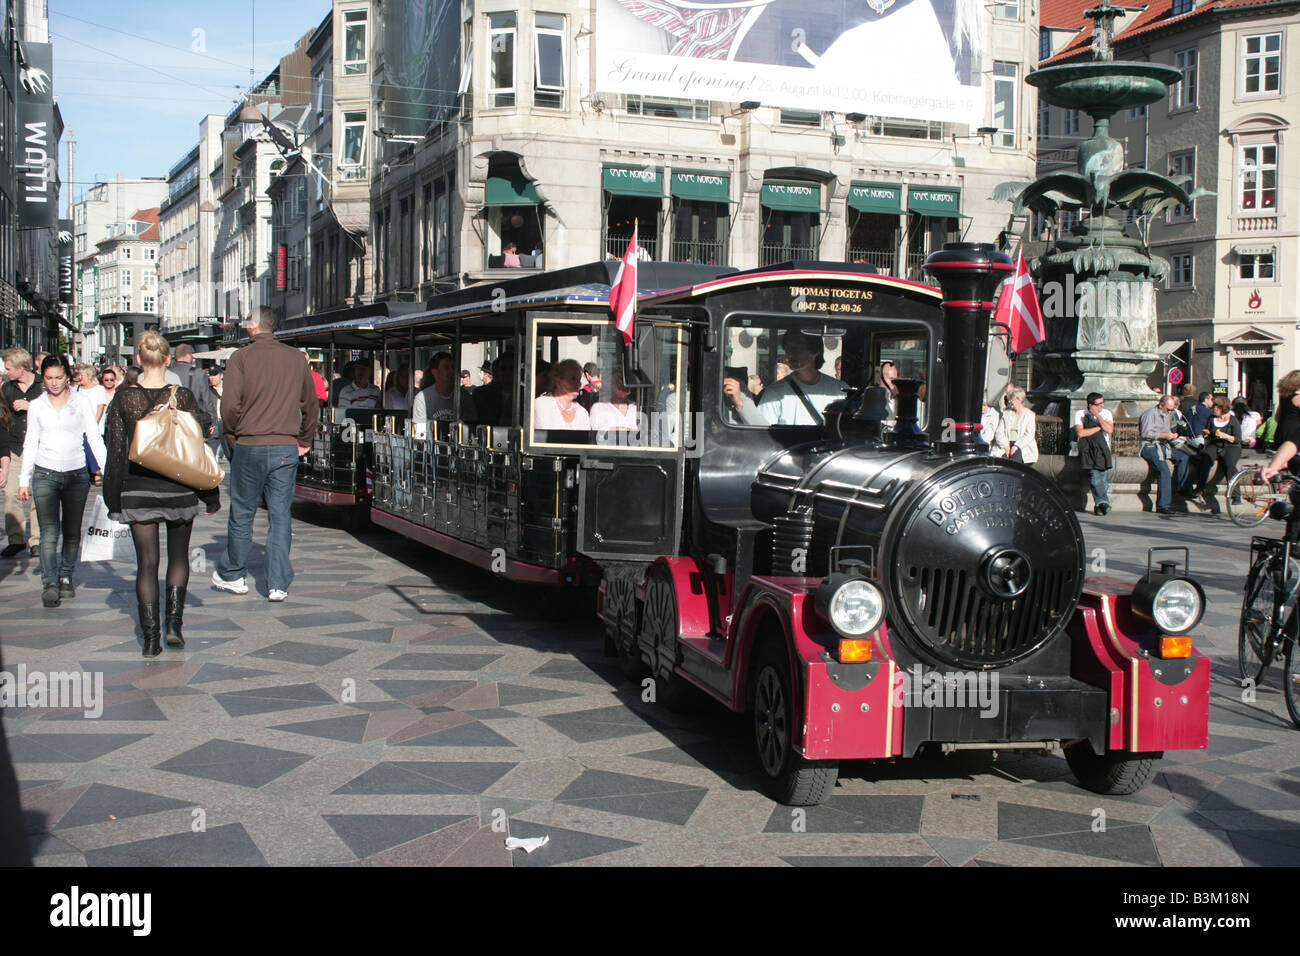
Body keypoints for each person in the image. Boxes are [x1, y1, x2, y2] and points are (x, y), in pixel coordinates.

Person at [103, 332, 220, 656]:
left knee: (147, 564)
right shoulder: (182, 396)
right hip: (178, 488)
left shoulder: (124, 398)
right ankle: (174, 625)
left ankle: (151, 638)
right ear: (168, 359)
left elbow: (114, 452)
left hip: (137, 490)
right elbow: (196, 449)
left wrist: (112, 500)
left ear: (139, 360)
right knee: (179, 557)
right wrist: (210, 495)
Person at [212, 306, 319, 602]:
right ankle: (277, 582)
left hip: (249, 443)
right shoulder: (296, 359)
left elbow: (229, 406)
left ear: (252, 326)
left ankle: (234, 574)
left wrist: (234, 436)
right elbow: (311, 403)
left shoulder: (241, 357)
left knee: (243, 511)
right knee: (281, 514)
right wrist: (305, 438)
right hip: (284, 444)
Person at [17, 355, 107, 607]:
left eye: (58, 377)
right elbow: (31, 442)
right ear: (42, 378)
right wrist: (24, 479)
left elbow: (93, 437)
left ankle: (66, 576)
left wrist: (106, 468)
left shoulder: (80, 402)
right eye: (49, 378)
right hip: (45, 473)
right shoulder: (37, 405)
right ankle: (49, 582)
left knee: (71, 530)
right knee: (48, 531)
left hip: (76, 474)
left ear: (68, 376)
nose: (54, 383)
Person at [746, 330, 845, 426]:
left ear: (815, 351)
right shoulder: (774, 392)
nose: (791, 354)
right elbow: (763, 433)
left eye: (798, 347)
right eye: (788, 348)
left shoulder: (840, 390)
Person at [1, 348, 42, 558]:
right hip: (15, 447)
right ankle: (16, 539)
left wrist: (31, 407)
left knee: (38, 496)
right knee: (10, 494)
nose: (6, 371)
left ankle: (37, 541)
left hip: (40, 449)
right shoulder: (7, 389)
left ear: (21, 368)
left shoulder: (42, 386)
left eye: (8, 368)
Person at [411, 352, 477, 437]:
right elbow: (420, 435)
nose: (452, 371)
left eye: (453, 367)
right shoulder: (422, 398)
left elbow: (471, 428)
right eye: (446, 367)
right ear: (435, 372)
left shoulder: (464, 396)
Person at [1139, 394, 1182, 516]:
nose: (1170, 412)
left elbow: (1167, 431)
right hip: (1149, 446)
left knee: (1183, 457)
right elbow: (1146, 433)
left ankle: (1182, 489)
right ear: (1161, 405)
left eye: (1172, 409)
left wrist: (1173, 436)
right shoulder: (1149, 414)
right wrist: (1165, 435)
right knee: (1164, 470)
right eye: (1168, 409)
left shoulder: (1167, 415)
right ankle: (1163, 505)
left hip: (1164, 445)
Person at [1073, 392, 1114, 515]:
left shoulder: (1106, 413)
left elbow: (1110, 429)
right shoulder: (1080, 414)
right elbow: (1081, 433)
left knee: (1103, 480)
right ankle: (1103, 503)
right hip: (1088, 450)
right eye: (1099, 404)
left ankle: (1100, 506)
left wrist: (1097, 416)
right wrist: (1099, 428)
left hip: (1103, 450)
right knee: (1095, 479)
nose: (1102, 406)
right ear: (1091, 405)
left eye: (1103, 403)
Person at [169, 343, 220, 439]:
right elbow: (207, 401)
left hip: (172, 421)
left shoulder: (168, 373)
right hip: (193, 422)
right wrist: (213, 422)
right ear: (188, 355)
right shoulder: (198, 373)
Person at [1201, 396, 1243, 502]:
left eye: (1215, 407)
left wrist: (1226, 436)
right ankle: (1200, 486)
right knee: (1205, 458)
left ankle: (1236, 494)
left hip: (1231, 446)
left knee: (1230, 466)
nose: (1213, 409)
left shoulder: (1233, 420)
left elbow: (1237, 439)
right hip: (1216, 444)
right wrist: (1206, 434)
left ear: (1222, 408)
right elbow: (1209, 433)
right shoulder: (1212, 418)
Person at [534, 359, 591, 431]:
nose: (579, 384)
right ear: (558, 381)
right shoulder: (542, 404)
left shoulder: (582, 413)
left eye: (579, 380)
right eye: (573, 379)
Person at [991, 387, 1038, 463]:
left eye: (1011, 399)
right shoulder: (1006, 414)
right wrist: (1006, 446)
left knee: (1014, 462)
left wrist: (1016, 446)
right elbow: (999, 432)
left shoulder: (1029, 415)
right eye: (1009, 399)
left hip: (1021, 445)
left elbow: (1029, 434)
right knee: (1001, 462)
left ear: (1019, 400)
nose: (1009, 402)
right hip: (1006, 443)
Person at [206, 365, 226, 460]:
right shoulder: (207, 390)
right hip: (214, 425)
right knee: (211, 455)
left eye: (215, 375)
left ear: (221, 376)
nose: (212, 377)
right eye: (210, 375)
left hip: (227, 424)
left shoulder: (229, 388)